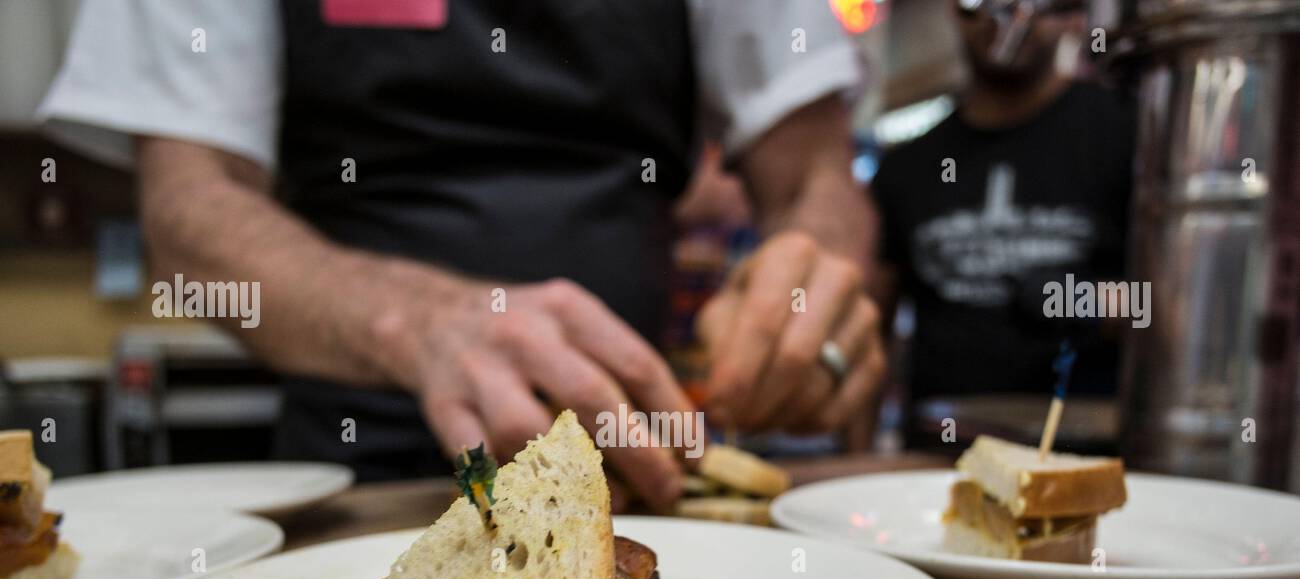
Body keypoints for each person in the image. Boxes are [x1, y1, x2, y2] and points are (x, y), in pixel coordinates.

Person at [39, 0, 886, 508]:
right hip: (352, 475)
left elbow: (814, 174)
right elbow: (188, 219)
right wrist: (420, 321)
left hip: (634, 465)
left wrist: (812, 288)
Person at [868, 0, 1136, 436]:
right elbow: (872, 335)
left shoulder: (1124, 135)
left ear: (1069, 14)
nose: (1009, 18)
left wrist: (1084, 301)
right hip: (937, 457)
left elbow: (1170, 314)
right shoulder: (907, 168)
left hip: (1087, 452)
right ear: (954, 11)